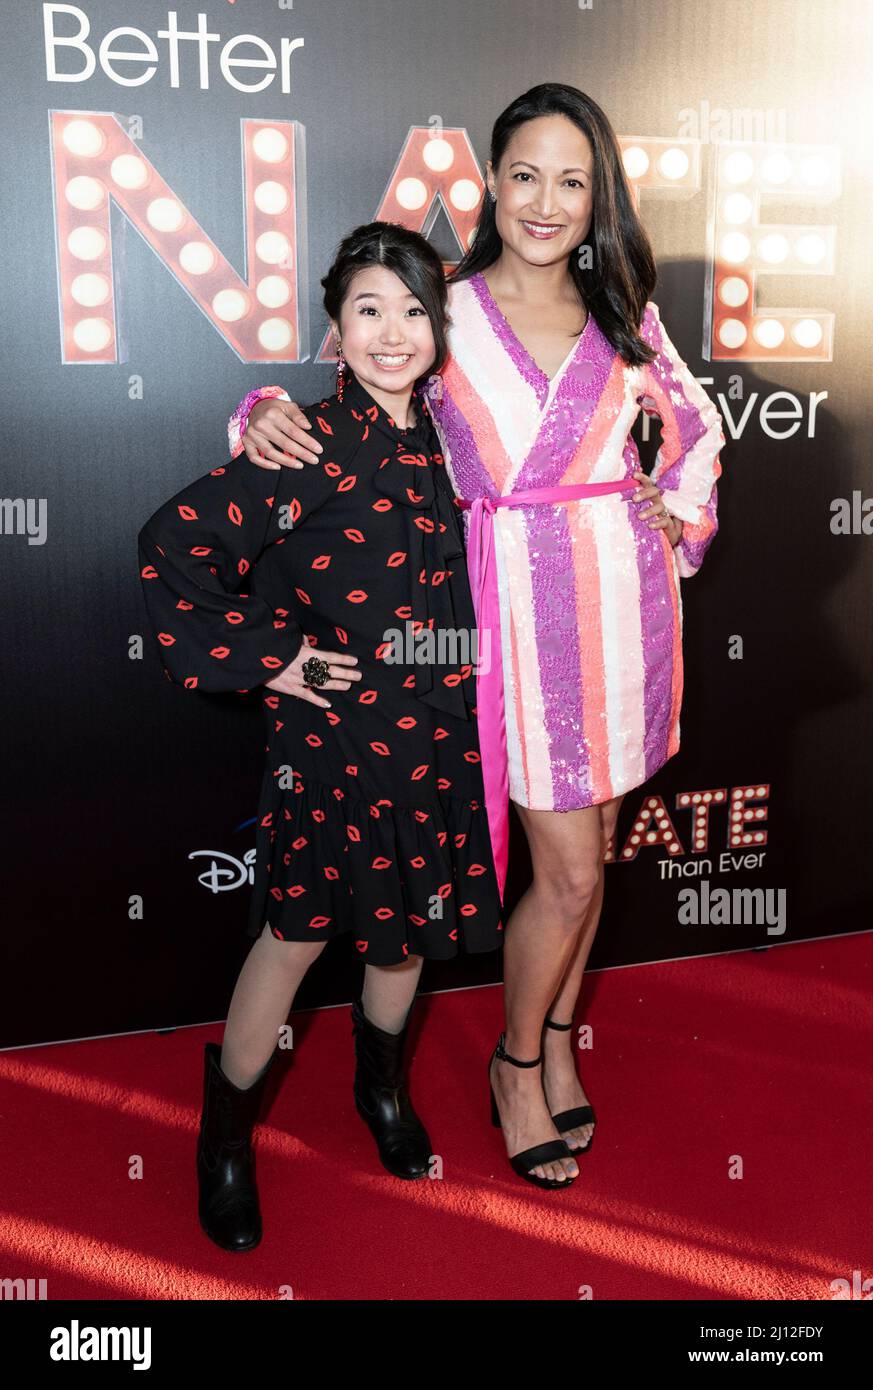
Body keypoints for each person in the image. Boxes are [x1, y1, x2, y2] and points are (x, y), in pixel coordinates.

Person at [218, 84, 726, 1188]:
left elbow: (693, 429)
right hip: (506, 626)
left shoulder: (627, 310)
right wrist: (262, 415)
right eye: (526, 175)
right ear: (491, 183)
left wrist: (675, 510)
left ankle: (547, 1043)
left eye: (573, 179)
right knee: (576, 875)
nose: (547, 201)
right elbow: (341, 395)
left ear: (600, 199)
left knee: (587, 866)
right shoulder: (436, 304)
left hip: (623, 610)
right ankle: (514, 1061)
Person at [137, 223, 511, 1254]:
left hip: (436, 733)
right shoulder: (308, 439)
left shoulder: (455, 437)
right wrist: (275, 660)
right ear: (334, 330)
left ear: (439, 327)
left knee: (406, 932)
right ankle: (223, 1140)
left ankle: (378, 1094)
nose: (393, 332)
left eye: (413, 310)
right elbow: (174, 546)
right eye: (368, 310)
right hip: (336, 738)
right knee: (296, 934)